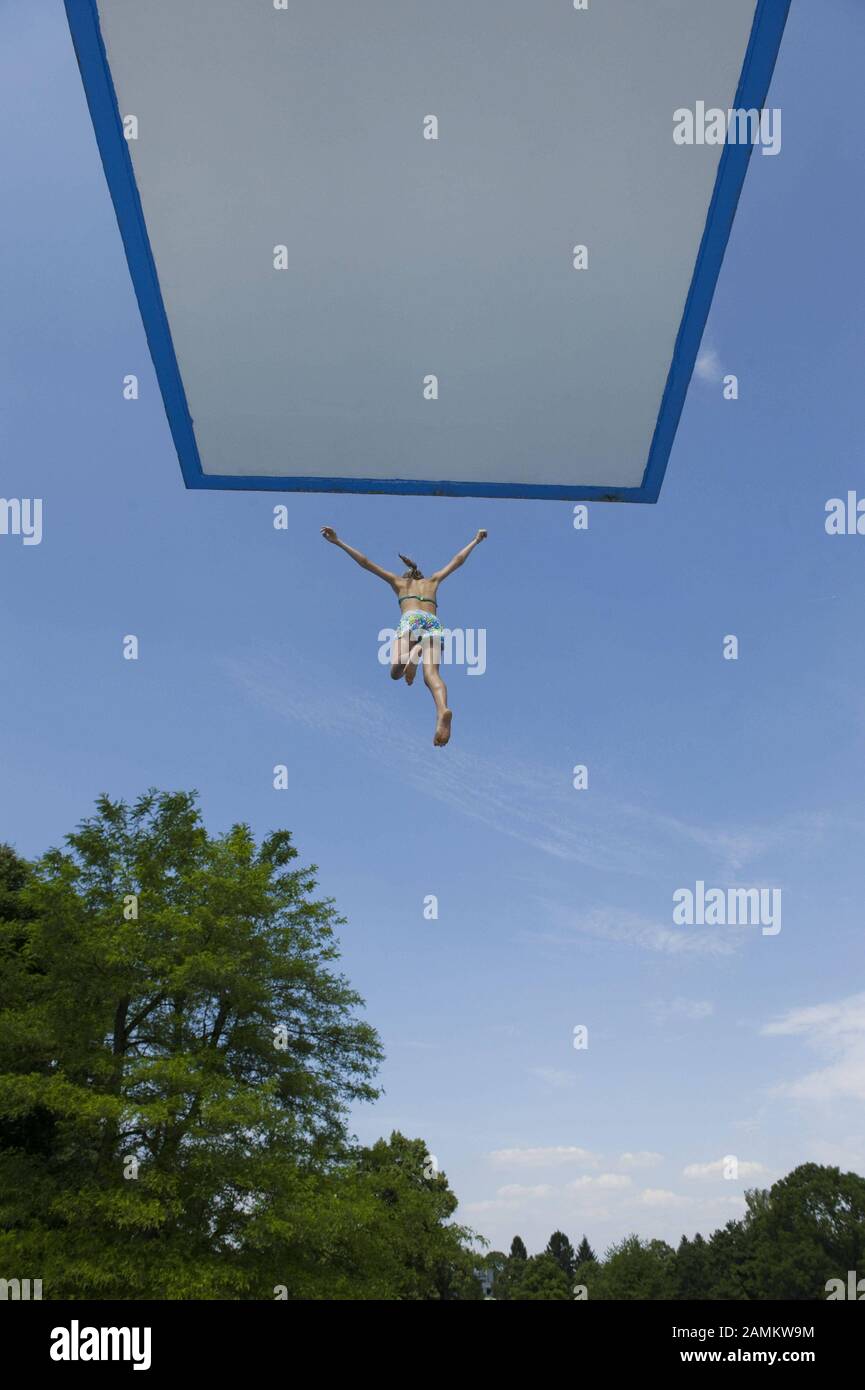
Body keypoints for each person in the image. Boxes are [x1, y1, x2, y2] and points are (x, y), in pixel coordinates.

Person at [320, 527, 488, 746]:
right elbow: (457, 561)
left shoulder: (399, 583)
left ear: (405, 576)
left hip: (412, 619)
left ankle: (414, 652)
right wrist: (475, 541)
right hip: (433, 624)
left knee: (395, 670)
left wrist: (339, 542)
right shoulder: (433, 581)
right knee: (432, 676)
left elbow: (366, 563)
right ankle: (441, 710)